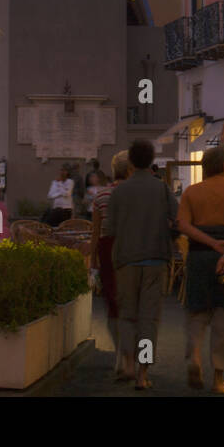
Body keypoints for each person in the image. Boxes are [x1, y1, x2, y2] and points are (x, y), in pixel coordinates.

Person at [177, 145, 224, 394]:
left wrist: (209, 242)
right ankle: (219, 379)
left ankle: (194, 357)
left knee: (197, 311)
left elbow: (183, 225)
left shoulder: (191, 192)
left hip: (199, 256)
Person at [106, 139, 178, 390]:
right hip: (156, 259)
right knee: (149, 319)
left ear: (131, 162)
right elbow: (178, 220)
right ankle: (142, 374)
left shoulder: (119, 192)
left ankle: (127, 362)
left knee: (127, 316)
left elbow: (109, 229)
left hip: (126, 260)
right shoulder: (161, 189)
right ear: (151, 162)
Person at [90, 152, 130, 377]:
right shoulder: (136, 194)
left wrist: (93, 260)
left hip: (107, 249)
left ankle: (119, 354)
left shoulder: (101, 196)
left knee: (113, 304)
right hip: (133, 249)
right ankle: (141, 362)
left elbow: (95, 232)